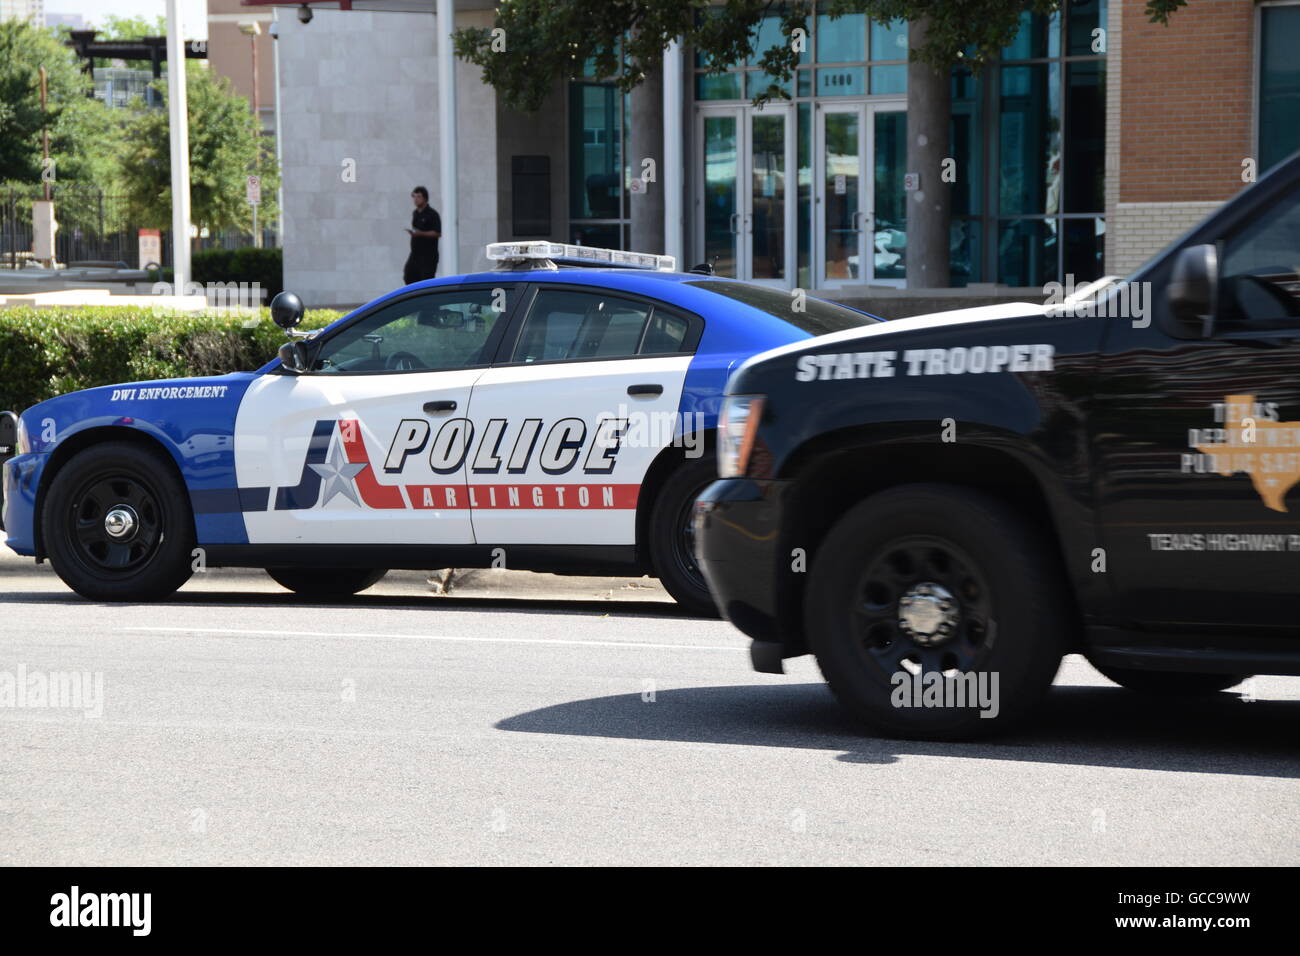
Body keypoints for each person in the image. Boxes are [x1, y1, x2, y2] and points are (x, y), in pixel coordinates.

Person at [403, 186, 441, 284]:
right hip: (415, 254)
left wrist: (421, 233)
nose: (415, 199)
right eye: (414, 197)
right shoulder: (415, 213)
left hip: (428, 256)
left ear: (425, 198)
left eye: (418, 197)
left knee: (426, 282)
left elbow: (437, 233)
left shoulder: (432, 214)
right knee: (409, 275)